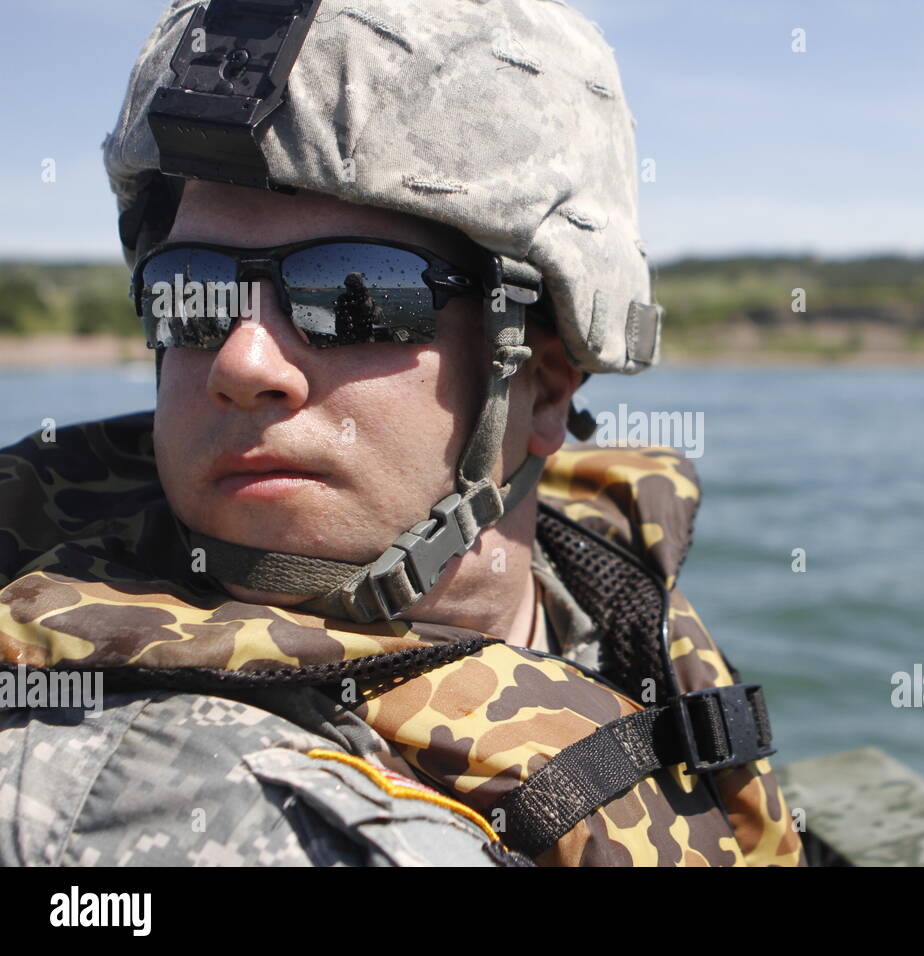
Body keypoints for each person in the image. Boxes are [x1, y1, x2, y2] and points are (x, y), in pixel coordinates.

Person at [0, 0, 806, 867]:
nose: (241, 360)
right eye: (187, 291)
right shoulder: (114, 792)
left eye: (352, 293)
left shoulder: (602, 588)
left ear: (543, 389)